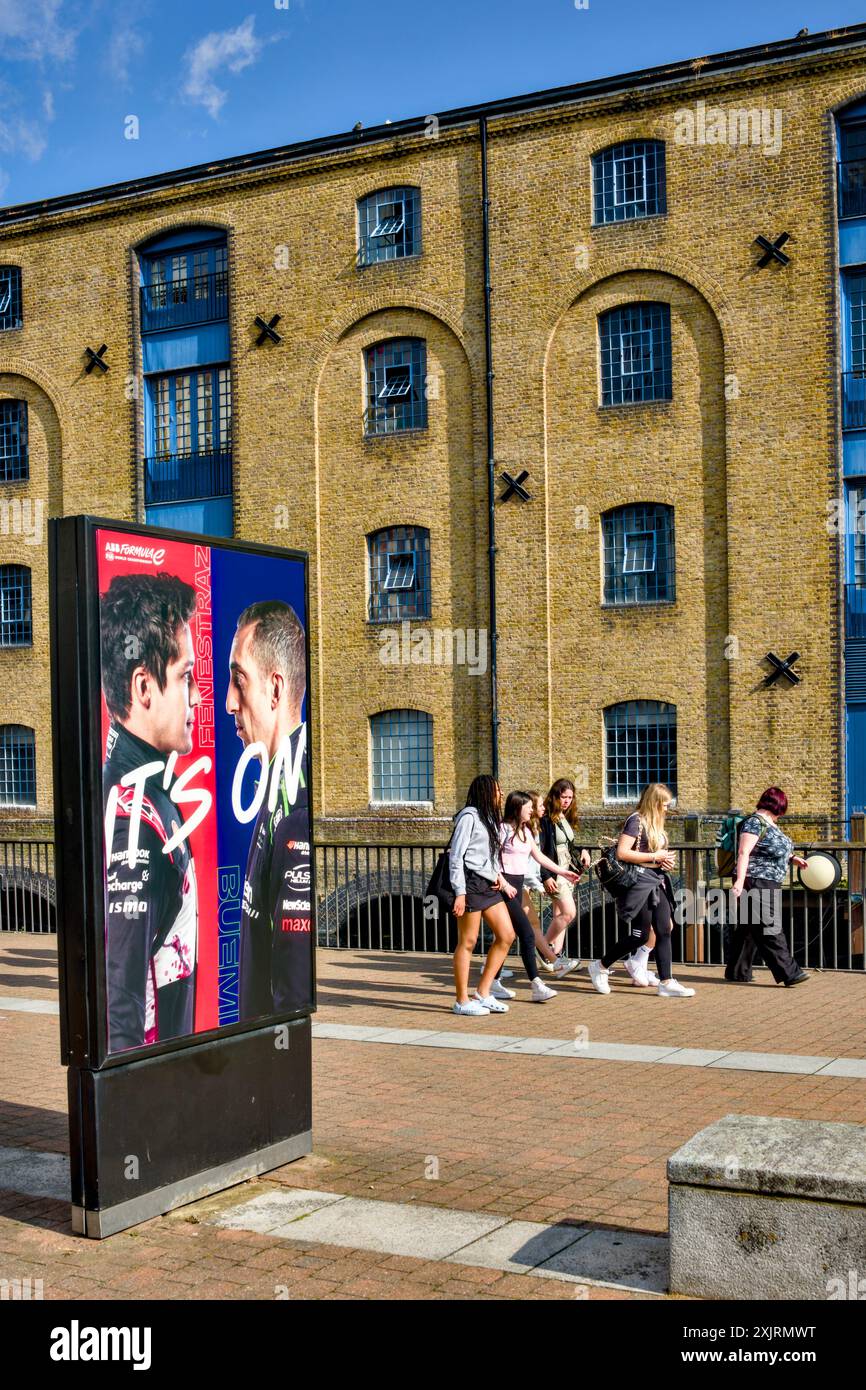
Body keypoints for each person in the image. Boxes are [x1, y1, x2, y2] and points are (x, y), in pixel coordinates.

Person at [100, 573, 201, 1052]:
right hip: (155, 1095)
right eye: (185, 677)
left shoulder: (144, 789)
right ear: (144, 687)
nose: (197, 698)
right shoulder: (134, 819)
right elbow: (121, 1006)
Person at [226, 599, 313, 1020]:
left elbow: (293, 990)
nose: (228, 702)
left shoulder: (298, 807)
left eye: (238, 680)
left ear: (275, 689)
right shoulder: (276, 785)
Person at [588, 783, 695, 998]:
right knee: (641, 935)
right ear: (654, 803)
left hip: (657, 881)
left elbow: (654, 855)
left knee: (665, 928)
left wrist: (664, 863)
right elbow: (622, 853)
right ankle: (600, 966)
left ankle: (666, 981)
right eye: (664, 805)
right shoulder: (635, 821)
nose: (667, 809)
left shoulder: (656, 823)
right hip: (638, 884)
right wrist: (655, 858)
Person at [498, 792, 581, 1002]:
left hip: (517, 887)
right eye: (528, 807)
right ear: (518, 808)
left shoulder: (525, 830)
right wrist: (504, 883)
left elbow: (540, 857)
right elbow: (490, 859)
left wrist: (563, 872)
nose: (532, 810)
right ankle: (537, 985)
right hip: (504, 888)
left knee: (506, 936)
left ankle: (493, 980)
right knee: (525, 933)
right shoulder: (503, 829)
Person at [726, 787, 810, 986]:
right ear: (778, 804)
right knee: (769, 925)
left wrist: (792, 858)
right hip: (756, 880)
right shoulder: (754, 823)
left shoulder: (769, 823)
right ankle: (790, 972)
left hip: (765, 880)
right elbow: (743, 852)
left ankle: (737, 971)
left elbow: (769, 849)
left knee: (748, 928)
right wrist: (739, 880)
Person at [450, 776, 517, 1016]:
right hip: (471, 883)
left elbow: (488, 856)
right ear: (486, 792)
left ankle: (483, 992)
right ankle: (461, 1000)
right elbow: (456, 856)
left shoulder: (489, 818)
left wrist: (499, 878)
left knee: (507, 935)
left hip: (488, 883)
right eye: (497, 790)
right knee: (467, 942)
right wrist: (460, 893)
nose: (501, 794)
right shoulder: (468, 816)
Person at [522, 791, 579, 981]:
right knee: (525, 927)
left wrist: (564, 872)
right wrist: (541, 881)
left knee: (514, 930)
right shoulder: (528, 829)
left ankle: (551, 959)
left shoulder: (531, 829)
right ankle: (549, 958)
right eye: (537, 806)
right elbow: (526, 861)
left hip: (529, 882)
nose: (542, 808)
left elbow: (539, 858)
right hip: (514, 884)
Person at [539, 778, 591, 962]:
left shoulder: (564, 816)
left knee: (560, 915)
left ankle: (556, 955)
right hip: (555, 872)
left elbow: (569, 845)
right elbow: (540, 850)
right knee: (569, 913)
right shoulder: (545, 820)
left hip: (567, 871)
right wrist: (545, 877)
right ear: (555, 796)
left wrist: (583, 850)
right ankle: (543, 948)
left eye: (570, 797)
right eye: (563, 797)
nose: (567, 801)